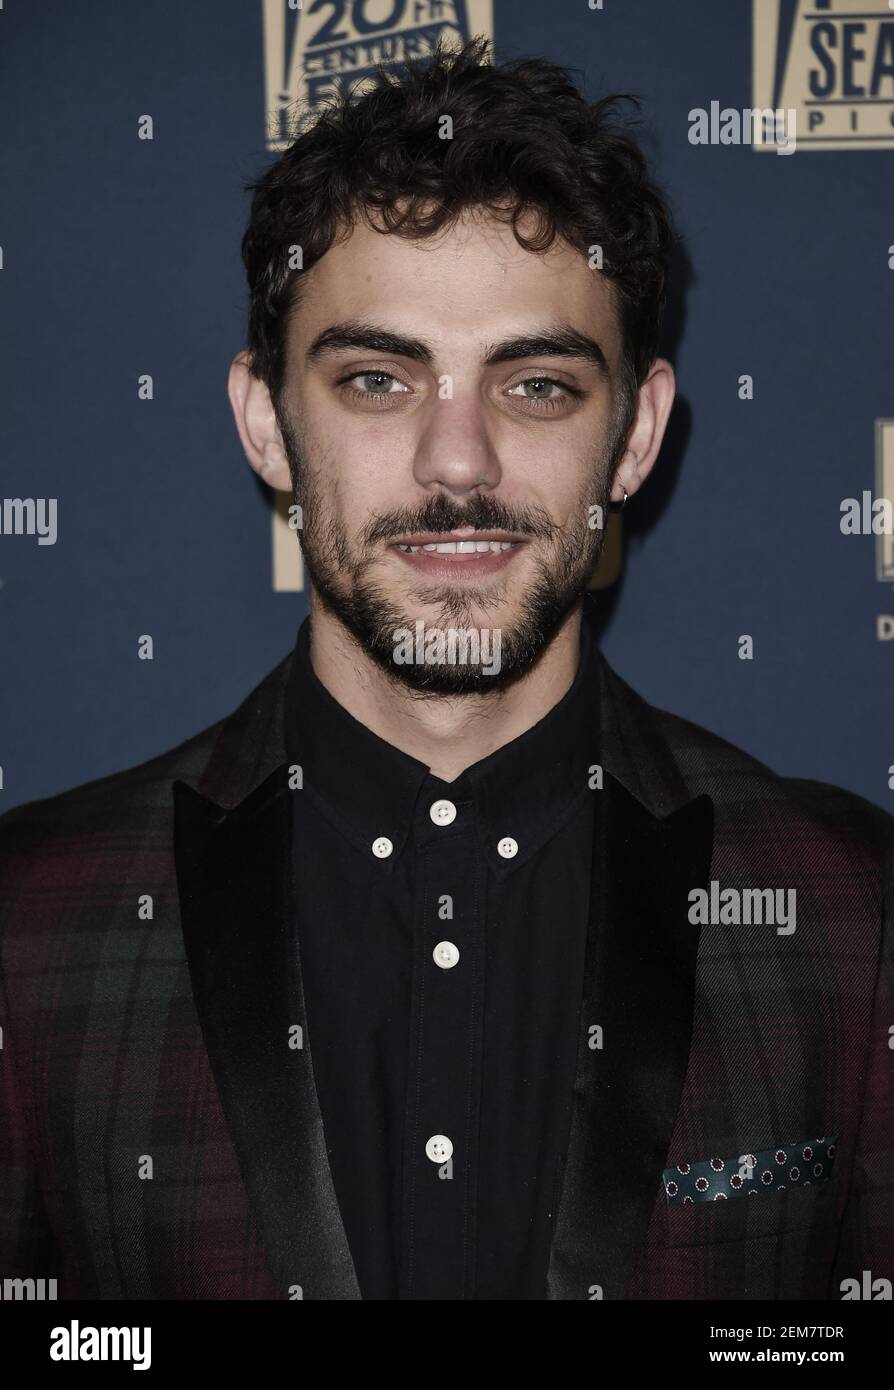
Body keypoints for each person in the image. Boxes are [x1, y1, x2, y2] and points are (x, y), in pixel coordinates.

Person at [0, 36, 891, 1302]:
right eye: (377, 378)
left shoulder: (853, 914)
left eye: (535, 386)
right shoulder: (30, 921)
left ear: (634, 434)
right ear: (267, 424)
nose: (457, 462)